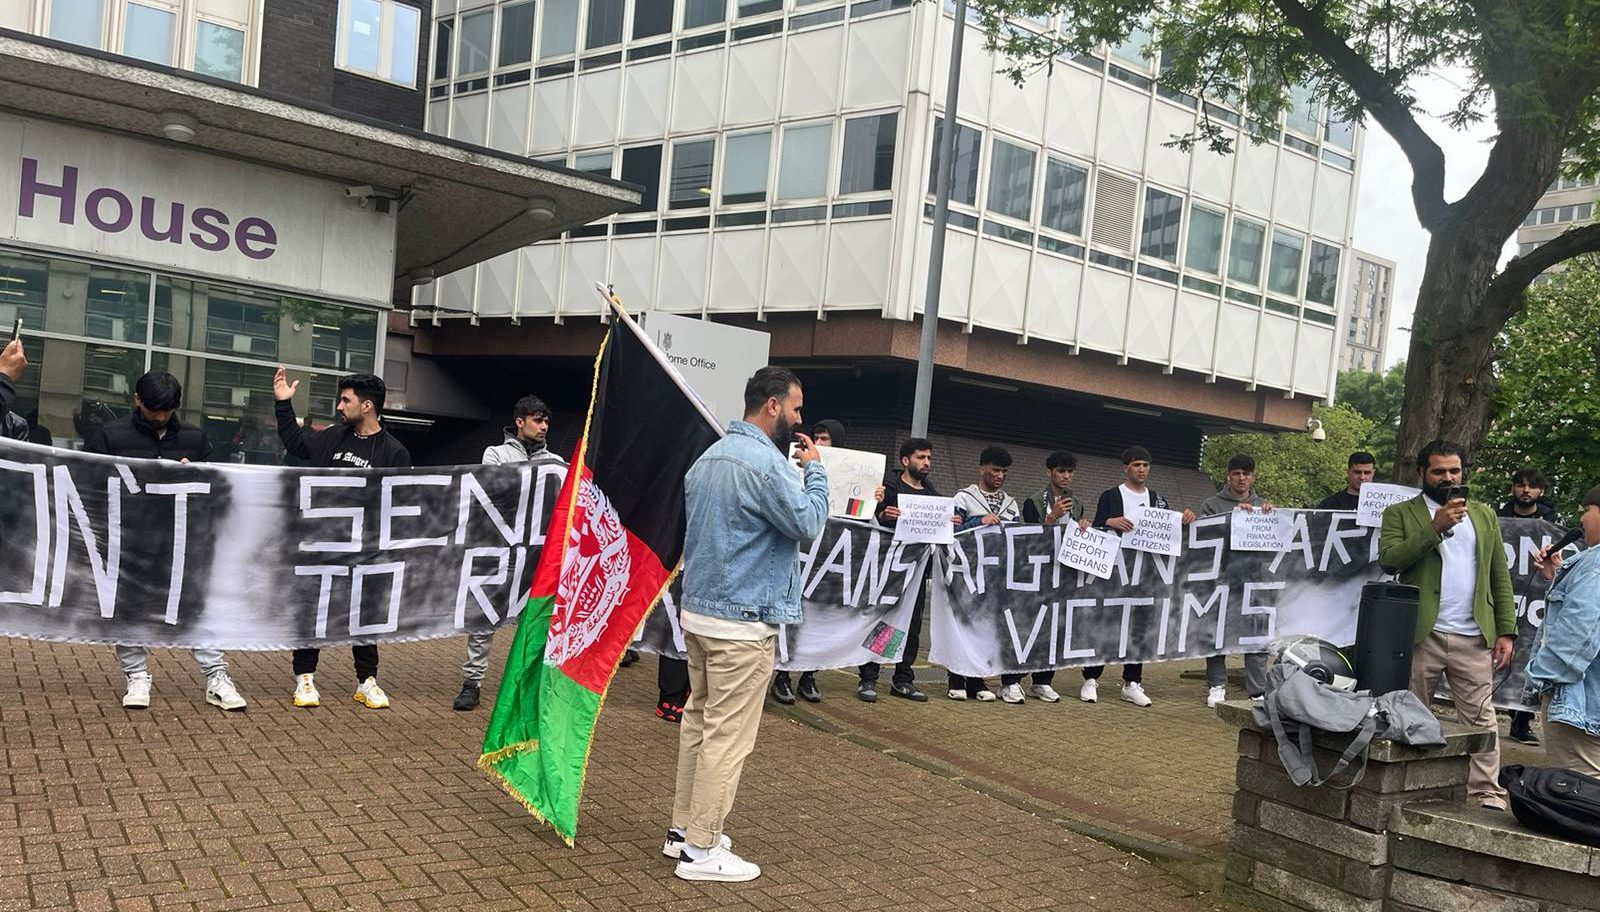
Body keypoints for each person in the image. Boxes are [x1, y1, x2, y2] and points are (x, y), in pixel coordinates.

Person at [665, 367, 828, 882]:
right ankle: (700, 849)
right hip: (743, 623)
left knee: (699, 723)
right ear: (774, 406)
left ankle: (682, 830)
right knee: (726, 738)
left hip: (700, 613)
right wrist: (817, 471)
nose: (801, 419)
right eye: (797, 408)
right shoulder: (765, 463)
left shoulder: (707, 459)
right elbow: (808, 523)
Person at [84, 371, 247, 712]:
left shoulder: (194, 437)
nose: (160, 417)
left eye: (168, 410)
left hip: (181, 539)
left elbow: (218, 486)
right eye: (154, 410)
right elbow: (90, 485)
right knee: (129, 609)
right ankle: (136, 676)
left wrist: (194, 474)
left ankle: (216, 676)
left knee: (196, 607)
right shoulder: (110, 436)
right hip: (128, 539)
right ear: (137, 401)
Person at [1378, 439, 1516, 811]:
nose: (1448, 478)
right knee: (1410, 711)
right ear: (1422, 473)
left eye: (1454, 470)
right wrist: (1434, 528)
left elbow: (1497, 575)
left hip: (1473, 634)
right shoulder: (1400, 513)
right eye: (1439, 471)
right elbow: (1389, 561)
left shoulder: (1484, 515)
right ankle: (1407, 786)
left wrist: (1505, 630)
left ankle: (1485, 791)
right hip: (1421, 632)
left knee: (1481, 717)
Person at [273, 368, 411, 710]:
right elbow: (296, 443)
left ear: (367, 406)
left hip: (364, 552)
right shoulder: (334, 437)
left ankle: (367, 681)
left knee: (364, 615)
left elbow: (401, 505)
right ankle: (304, 679)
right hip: (322, 546)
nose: (339, 406)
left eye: (345, 400)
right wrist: (283, 405)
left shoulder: (394, 454)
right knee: (313, 610)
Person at [453, 395, 568, 711]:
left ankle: (527, 686)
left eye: (546, 421)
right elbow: (492, 494)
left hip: (537, 556)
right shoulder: (495, 454)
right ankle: (471, 683)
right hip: (498, 550)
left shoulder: (557, 464)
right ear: (520, 421)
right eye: (536, 420)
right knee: (483, 618)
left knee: (535, 621)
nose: (543, 426)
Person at [1086, 446, 1196, 707]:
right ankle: (1091, 678)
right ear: (1126, 467)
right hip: (1114, 571)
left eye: (1146, 465)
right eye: (1136, 465)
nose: (1142, 470)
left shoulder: (1157, 499)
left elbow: (1168, 531)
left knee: (1138, 627)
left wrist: (1185, 519)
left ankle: (1132, 681)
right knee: (1105, 623)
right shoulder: (1111, 496)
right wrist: (1110, 522)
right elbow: (1096, 528)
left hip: (1144, 574)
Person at [858, 437, 957, 703]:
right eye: (920, 458)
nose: (926, 463)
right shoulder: (890, 489)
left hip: (916, 572)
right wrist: (882, 516)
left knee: (911, 626)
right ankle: (869, 676)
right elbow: (869, 520)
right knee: (884, 621)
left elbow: (940, 533)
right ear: (905, 461)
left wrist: (951, 524)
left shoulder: (934, 496)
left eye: (928, 458)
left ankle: (903, 678)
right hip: (888, 570)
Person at [771, 418, 849, 706]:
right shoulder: (792, 468)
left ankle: (808, 674)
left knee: (819, 620)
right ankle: (781, 674)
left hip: (829, 558)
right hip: (802, 554)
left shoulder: (849, 471)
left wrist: (872, 499)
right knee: (791, 618)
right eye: (816, 438)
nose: (820, 444)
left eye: (826, 439)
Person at [1525, 484, 1600, 777]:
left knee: (1582, 793)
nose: (1581, 519)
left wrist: (1539, 674)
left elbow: (1582, 628)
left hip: (1582, 706)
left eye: (1587, 510)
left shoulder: (1596, 566)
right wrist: (1558, 576)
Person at [1004, 450, 1087, 703]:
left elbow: (1076, 537)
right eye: (1061, 471)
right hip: (1034, 574)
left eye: (1069, 472)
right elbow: (1028, 539)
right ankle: (1012, 680)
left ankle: (1042, 681)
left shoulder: (1077, 503)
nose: (1066, 476)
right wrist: (1050, 519)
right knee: (1026, 627)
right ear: (1049, 472)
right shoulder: (1033, 502)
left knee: (1054, 629)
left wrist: (1084, 527)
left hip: (1062, 575)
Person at [946, 446, 1020, 702]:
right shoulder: (963, 498)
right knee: (961, 625)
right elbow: (952, 532)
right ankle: (955, 679)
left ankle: (977, 680)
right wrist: (979, 522)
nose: (1000, 475)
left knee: (984, 629)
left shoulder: (1011, 504)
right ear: (982, 469)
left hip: (995, 576)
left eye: (1004, 471)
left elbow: (1019, 539)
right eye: (996, 470)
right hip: (966, 573)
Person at [1200, 454, 1274, 707]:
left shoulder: (1264, 505)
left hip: (1255, 581)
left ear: (1253, 476)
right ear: (1228, 476)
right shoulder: (1211, 504)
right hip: (1221, 579)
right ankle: (1217, 685)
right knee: (1216, 633)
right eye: (1236, 474)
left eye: (1246, 474)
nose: (1241, 478)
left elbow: (1274, 548)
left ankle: (1257, 690)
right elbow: (1204, 539)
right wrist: (1234, 518)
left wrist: (1269, 519)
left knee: (1255, 635)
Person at [1496, 467, 1558, 743]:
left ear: (1540, 491)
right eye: (1520, 485)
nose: (1525, 490)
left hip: (1535, 600)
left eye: (1531, 486)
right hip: (1504, 593)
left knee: (1527, 657)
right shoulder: (1497, 517)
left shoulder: (1553, 522)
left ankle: (1521, 721)